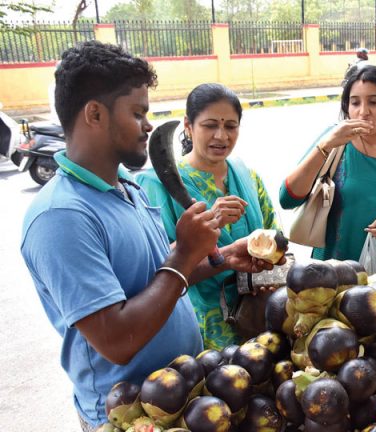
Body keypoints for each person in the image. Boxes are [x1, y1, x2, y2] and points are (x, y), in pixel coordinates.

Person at [19, 41, 277, 431]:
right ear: (95, 114)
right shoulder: (62, 216)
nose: (148, 125)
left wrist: (223, 256)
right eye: (138, 113)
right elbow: (116, 340)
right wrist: (184, 254)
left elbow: (156, 275)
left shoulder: (126, 186)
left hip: (180, 395)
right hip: (132, 414)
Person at [137, 83, 280, 350]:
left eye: (230, 126)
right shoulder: (156, 185)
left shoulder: (248, 177)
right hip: (197, 328)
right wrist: (210, 224)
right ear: (188, 126)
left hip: (256, 322)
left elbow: (275, 239)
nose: (221, 136)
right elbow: (155, 267)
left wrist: (270, 274)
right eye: (210, 125)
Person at [281, 65, 376, 261]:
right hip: (331, 269)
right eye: (355, 103)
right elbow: (287, 199)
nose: (363, 112)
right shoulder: (332, 141)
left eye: (374, 102)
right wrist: (325, 146)